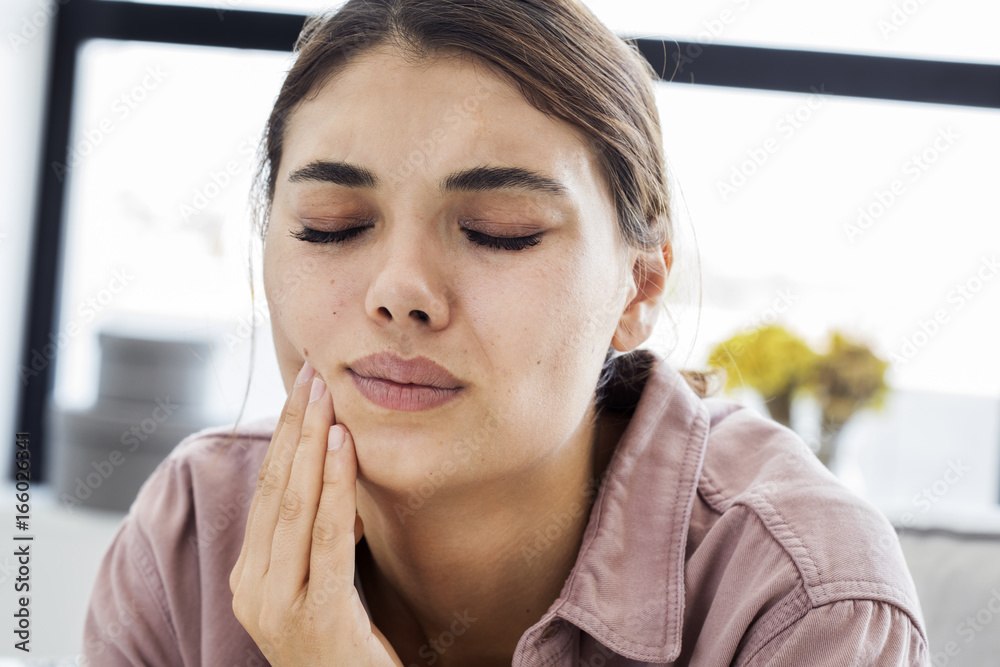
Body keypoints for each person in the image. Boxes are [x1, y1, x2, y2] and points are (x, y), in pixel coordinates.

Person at [81, 0, 930, 665]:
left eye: (499, 229)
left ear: (640, 284)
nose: (399, 293)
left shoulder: (804, 597)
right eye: (332, 224)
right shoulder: (189, 534)